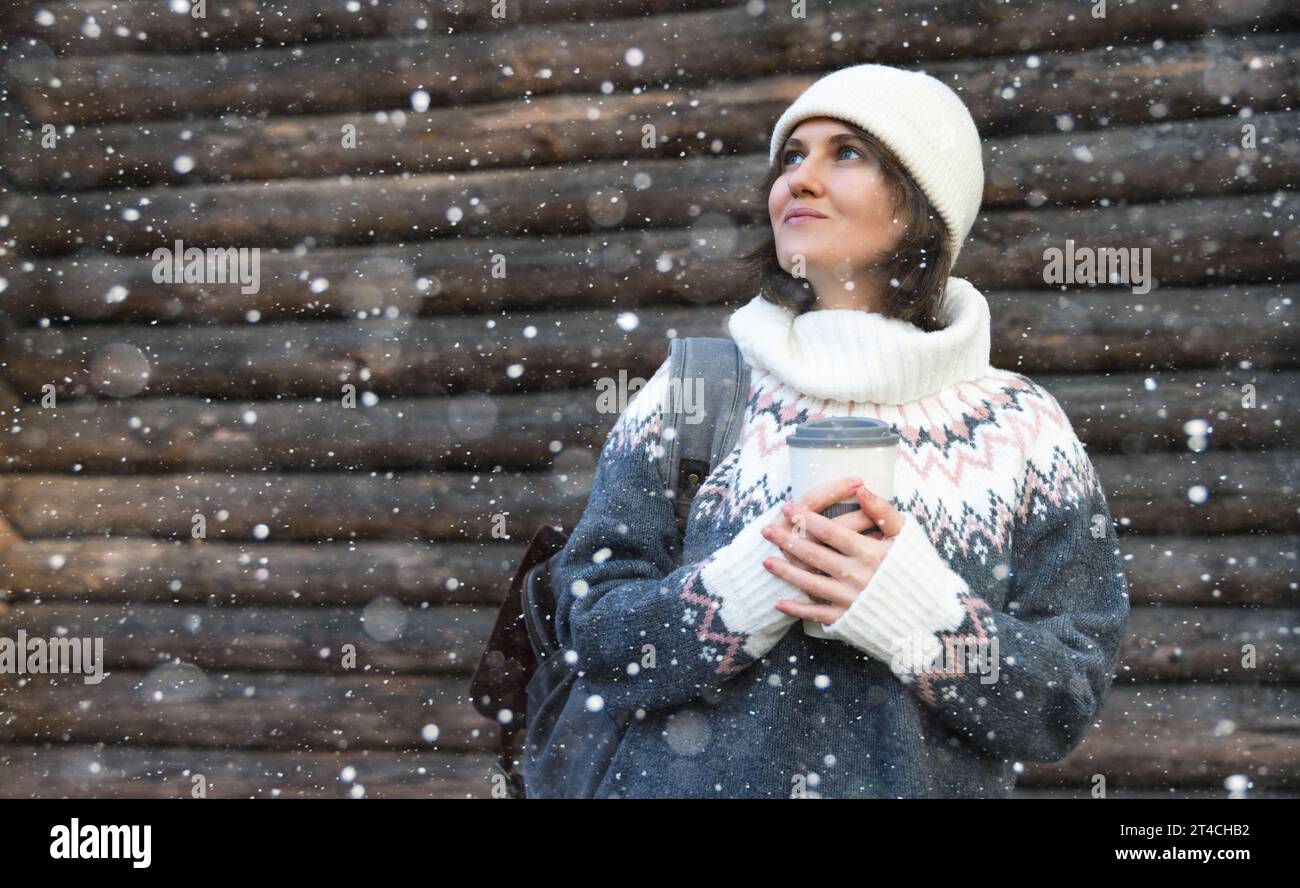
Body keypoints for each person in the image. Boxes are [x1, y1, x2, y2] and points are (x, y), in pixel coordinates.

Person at [545, 63, 1131, 798]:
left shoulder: (1020, 426)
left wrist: (921, 617)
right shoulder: (698, 389)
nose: (801, 179)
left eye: (846, 152)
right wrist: (745, 589)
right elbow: (593, 641)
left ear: (924, 203)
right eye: (792, 155)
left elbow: (1060, 703)